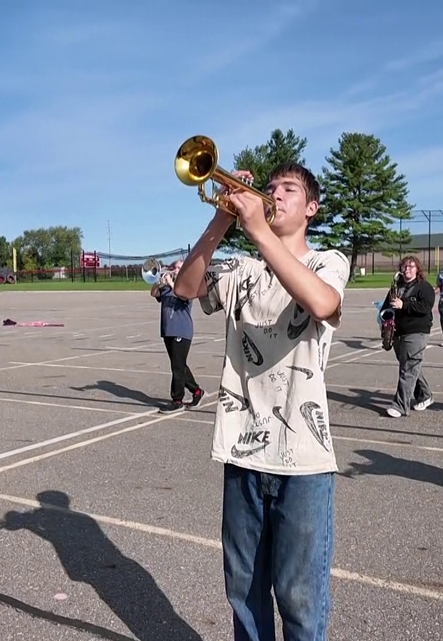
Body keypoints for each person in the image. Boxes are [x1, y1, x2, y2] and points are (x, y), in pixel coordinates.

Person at [173, 163, 349, 641]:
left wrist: (256, 229)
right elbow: (185, 288)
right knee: (244, 594)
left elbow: (321, 304)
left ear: (311, 208)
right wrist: (222, 221)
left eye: (288, 190)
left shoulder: (327, 261)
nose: (274, 194)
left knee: (299, 597)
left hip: (304, 460)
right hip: (242, 451)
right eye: (269, 188)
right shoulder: (241, 268)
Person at [383, 256, 436, 418]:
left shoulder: (424, 287)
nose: (407, 269)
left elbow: (425, 307)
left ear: (417, 269)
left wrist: (403, 304)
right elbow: (386, 306)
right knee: (411, 366)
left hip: (417, 332)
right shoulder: (397, 287)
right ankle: (425, 396)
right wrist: (384, 318)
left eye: (411, 266)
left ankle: (400, 406)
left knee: (408, 368)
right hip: (398, 332)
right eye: (405, 266)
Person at [151, 260, 203, 413]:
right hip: (168, 331)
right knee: (179, 365)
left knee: (177, 367)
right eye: (174, 267)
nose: (175, 270)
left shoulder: (187, 286)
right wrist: (158, 283)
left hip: (182, 331)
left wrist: (171, 283)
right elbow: (153, 293)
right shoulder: (166, 288)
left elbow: (184, 297)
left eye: (179, 268)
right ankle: (197, 392)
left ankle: (177, 400)